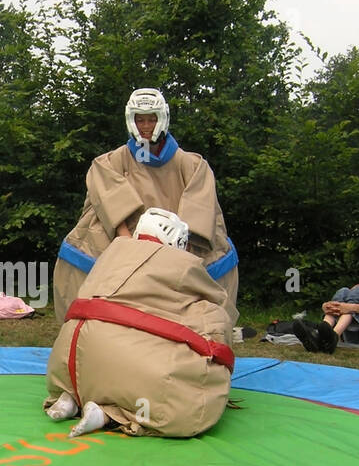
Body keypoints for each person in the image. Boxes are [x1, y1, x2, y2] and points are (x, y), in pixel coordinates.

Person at [53, 87, 238, 327]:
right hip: (125, 241)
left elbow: (200, 211)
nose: (146, 126)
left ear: (163, 120)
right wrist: (128, 245)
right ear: (132, 120)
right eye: (140, 119)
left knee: (205, 266)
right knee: (88, 253)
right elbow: (110, 202)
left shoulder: (192, 165)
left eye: (152, 119)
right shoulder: (109, 163)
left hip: (180, 245)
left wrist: (177, 254)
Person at [44, 208, 235, 438]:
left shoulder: (112, 252)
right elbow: (217, 299)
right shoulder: (182, 263)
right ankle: (112, 414)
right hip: (130, 362)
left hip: (68, 359)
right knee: (210, 321)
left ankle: (72, 396)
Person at [293, 249, 359, 354]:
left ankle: (333, 336)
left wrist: (350, 307)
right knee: (344, 291)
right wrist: (326, 306)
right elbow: (344, 305)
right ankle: (324, 333)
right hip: (354, 338)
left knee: (357, 292)